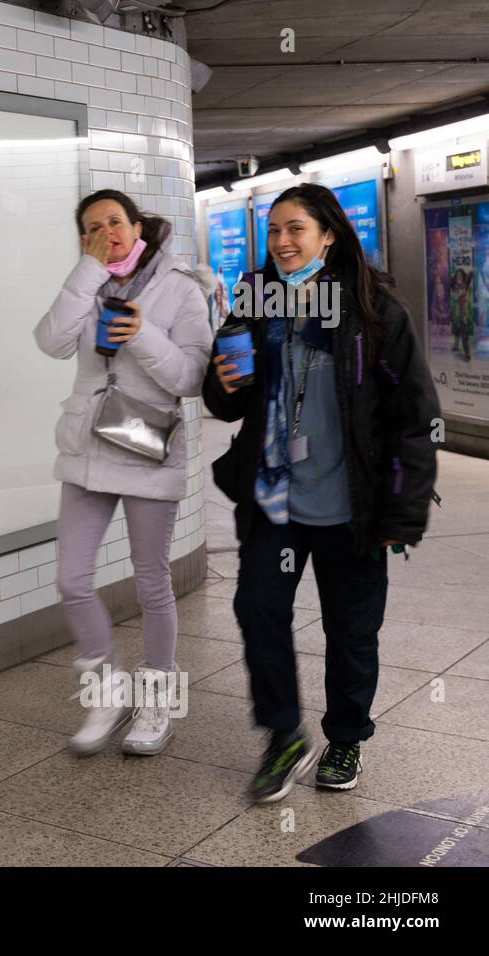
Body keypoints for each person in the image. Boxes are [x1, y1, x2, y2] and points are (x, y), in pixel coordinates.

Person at [205, 183, 439, 802]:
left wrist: (403, 510)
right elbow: (223, 399)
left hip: (350, 505)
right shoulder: (256, 305)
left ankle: (345, 737)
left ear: (328, 234)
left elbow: (414, 416)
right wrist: (224, 381)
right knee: (257, 609)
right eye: (274, 231)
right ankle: (284, 733)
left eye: (296, 230)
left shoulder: (374, 311)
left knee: (351, 627)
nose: (281, 242)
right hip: (274, 499)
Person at [34, 189, 212, 755]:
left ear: (139, 227)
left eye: (116, 222)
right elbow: (51, 342)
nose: (107, 232)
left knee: (151, 581)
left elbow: (190, 376)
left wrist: (142, 335)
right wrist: (87, 271)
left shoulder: (182, 287)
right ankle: (105, 692)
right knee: (72, 579)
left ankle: (157, 698)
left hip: (144, 442)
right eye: (93, 227)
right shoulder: (84, 284)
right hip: (88, 447)